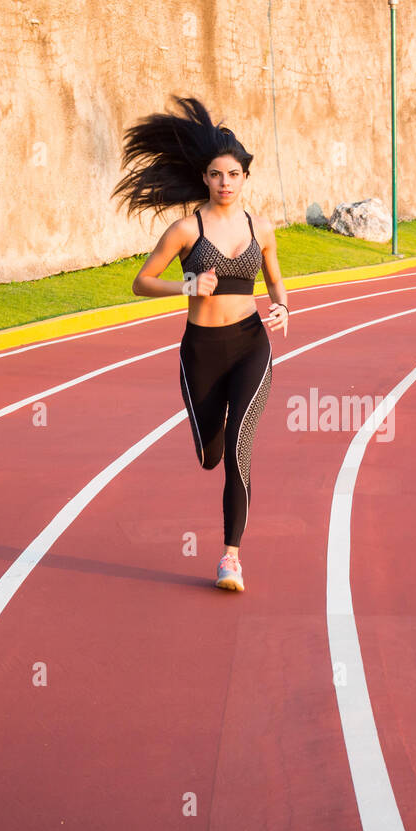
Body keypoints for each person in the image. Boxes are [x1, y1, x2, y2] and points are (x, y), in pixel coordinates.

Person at [115, 95, 289, 592]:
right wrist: (185, 287)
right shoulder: (186, 229)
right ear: (205, 178)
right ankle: (209, 444)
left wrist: (281, 305)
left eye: (233, 174)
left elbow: (276, 282)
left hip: (251, 344)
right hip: (201, 352)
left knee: (240, 449)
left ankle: (230, 557)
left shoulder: (262, 228)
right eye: (216, 174)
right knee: (211, 454)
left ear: (245, 178)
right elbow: (141, 282)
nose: (225, 183)